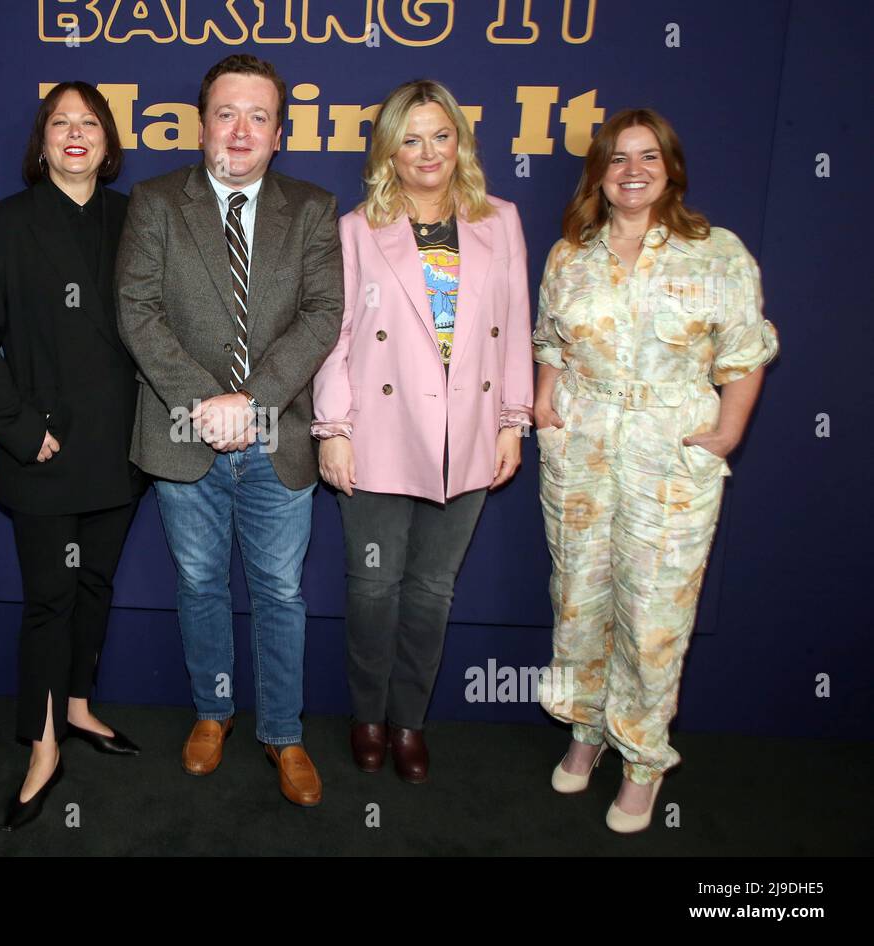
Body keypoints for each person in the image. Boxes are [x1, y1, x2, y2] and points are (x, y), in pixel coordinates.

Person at [533, 108, 779, 832]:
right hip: (583, 446)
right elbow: (550, 338)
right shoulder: (568, 253)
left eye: (647, 157)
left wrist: (725, 433)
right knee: (578, 596)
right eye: (616, 159)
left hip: (669, 451)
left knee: (653, 614)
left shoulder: (717, 252)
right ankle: (583, 729)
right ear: (598, 173)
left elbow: (744, 352)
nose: (631, 170)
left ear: (670, 167)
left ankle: (641, 759)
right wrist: (547, 404)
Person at [116, 54, 343, 807]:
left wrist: (252, 401)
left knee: (280, 591)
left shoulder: (312, 208)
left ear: (280, 132)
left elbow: (321, 317)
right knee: (199, 584)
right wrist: (208, 402)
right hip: (183, 436)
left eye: (258, 117)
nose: (240, 130)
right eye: (226, 114)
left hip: (277, 439)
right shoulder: (154, 202)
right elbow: (138, 314)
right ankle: (213, 713)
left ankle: (283, 730)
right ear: (202, 123)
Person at [312, 80, 533, 782]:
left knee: (433, 592)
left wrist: (511, 424)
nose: (428, 151)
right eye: (411, 138)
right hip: (379, 432)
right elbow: (335, 337)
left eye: (440, 135)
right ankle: (367, 716)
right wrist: (333, 427)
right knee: (373, 589)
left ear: (460, 141)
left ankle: (409, 720)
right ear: (388, 152)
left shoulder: (501, 221)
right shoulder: (357, 228)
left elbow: (515, 332)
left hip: (465, 435)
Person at [0, 82, 145, 832]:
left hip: (121, 447)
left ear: (107, 142)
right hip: (40, 448)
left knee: (95, 586)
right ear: (41, 143)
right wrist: (12, 425)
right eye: (60, 123)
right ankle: (42, 746)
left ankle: (77, 707)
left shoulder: (136, 218)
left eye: (89, 122)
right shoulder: (8, 222)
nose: (76, 133)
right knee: (49, 601)